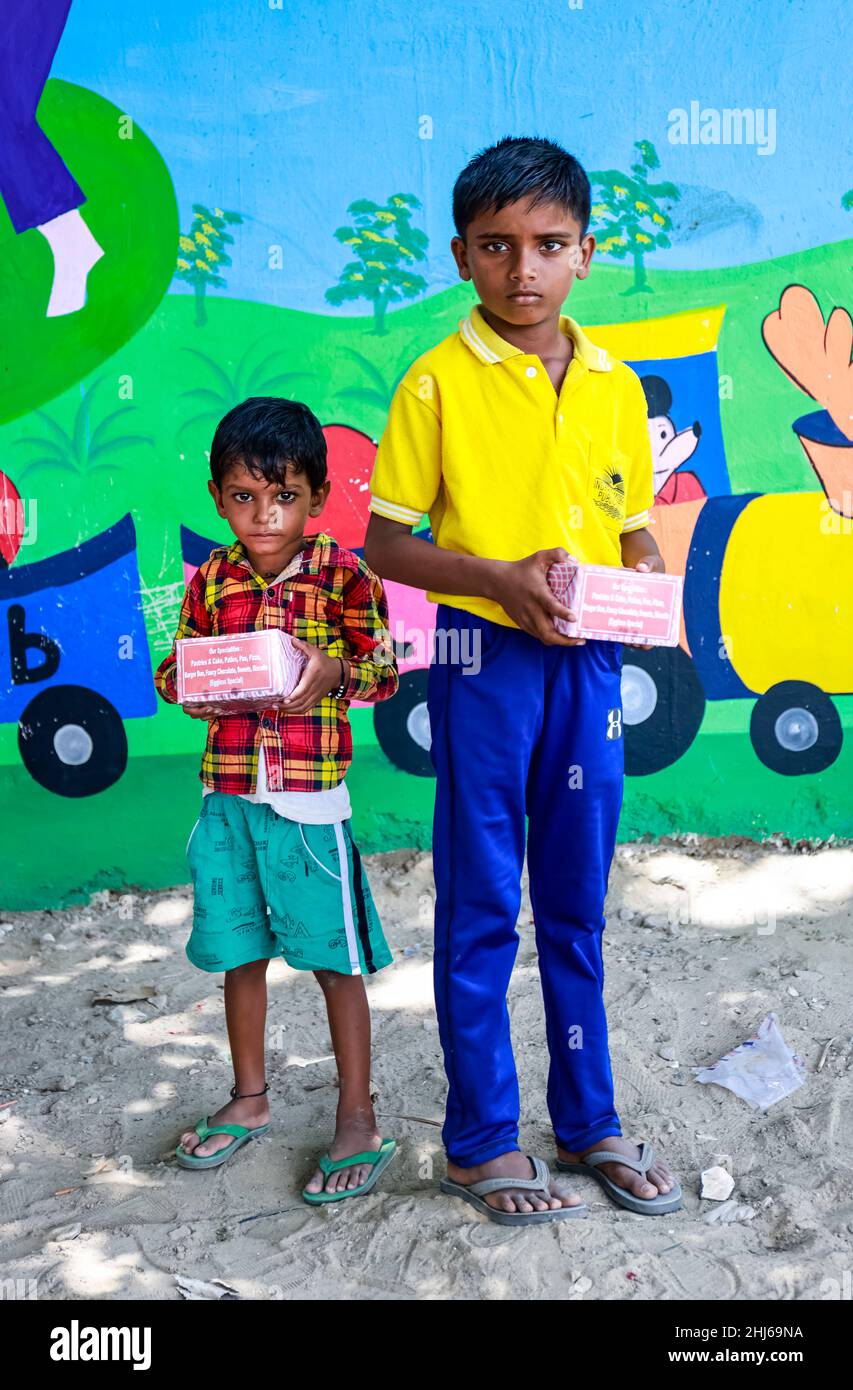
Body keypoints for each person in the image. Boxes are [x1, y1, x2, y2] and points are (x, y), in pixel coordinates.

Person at [364, 136, 683, 1226]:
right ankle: (480, 1140)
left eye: (548, 245)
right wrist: (498, 580)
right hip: (481, 664)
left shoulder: (614, 385)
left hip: (586, 669)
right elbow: (386, 546)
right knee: (481, 903)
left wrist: (647, 590)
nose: (522, 269)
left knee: (577, 905)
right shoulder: (436, 383)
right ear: (461, 254)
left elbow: (631, 527)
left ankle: (588, 1119)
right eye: (496, 246)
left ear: (586, 254)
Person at [154, 396, 399, 1204]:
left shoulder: (343, 576)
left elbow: (381, 671)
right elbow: (175, 669)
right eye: (244, 497)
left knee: (334, 960)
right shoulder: (213, 579)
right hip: (226, 796)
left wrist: (330, 671)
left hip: (306, 800)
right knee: (237, 953)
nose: (265, 515)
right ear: (219, 497)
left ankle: (356, 1115)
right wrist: (196, 685)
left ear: (317, 496)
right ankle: (250, 1095)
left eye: (284, 495)